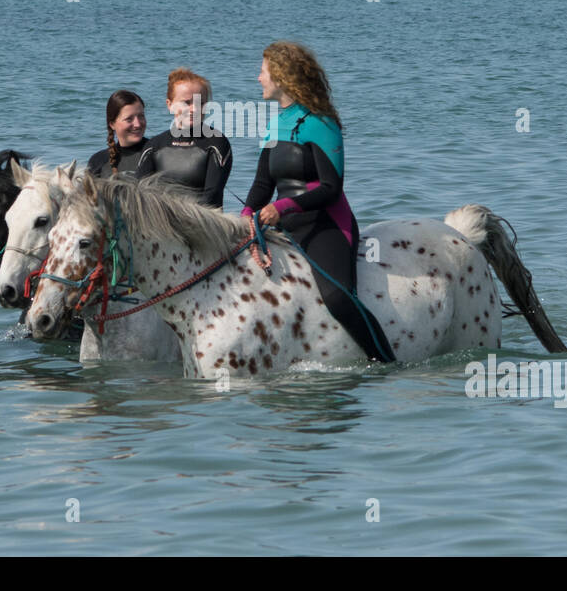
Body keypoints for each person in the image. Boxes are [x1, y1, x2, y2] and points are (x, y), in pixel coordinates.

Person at [242, 42, 396, 362]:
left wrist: (281, 208)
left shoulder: (321, 123)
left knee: (337, 298)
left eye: (263, 71)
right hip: (284, 225)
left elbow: (331, 188)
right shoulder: (275, 124)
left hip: (324, 224)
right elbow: (262, 184)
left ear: (282, 75)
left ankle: (385, 362)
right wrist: (244, 215)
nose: (258, 78)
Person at [137, 68, 232, 208]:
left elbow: (212, 197)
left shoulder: (216, 143)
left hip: (204, 220)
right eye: (186, 103)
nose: (194, 109)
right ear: (169, 105)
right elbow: (141, 197)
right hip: (161, 219)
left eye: (200, 103)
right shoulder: (153, 146)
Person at [87, 90, 149, 178]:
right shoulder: (98, 161)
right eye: (129, 119)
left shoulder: (156, 152)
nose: (137, 124)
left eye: (141, 116)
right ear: (112, 124)